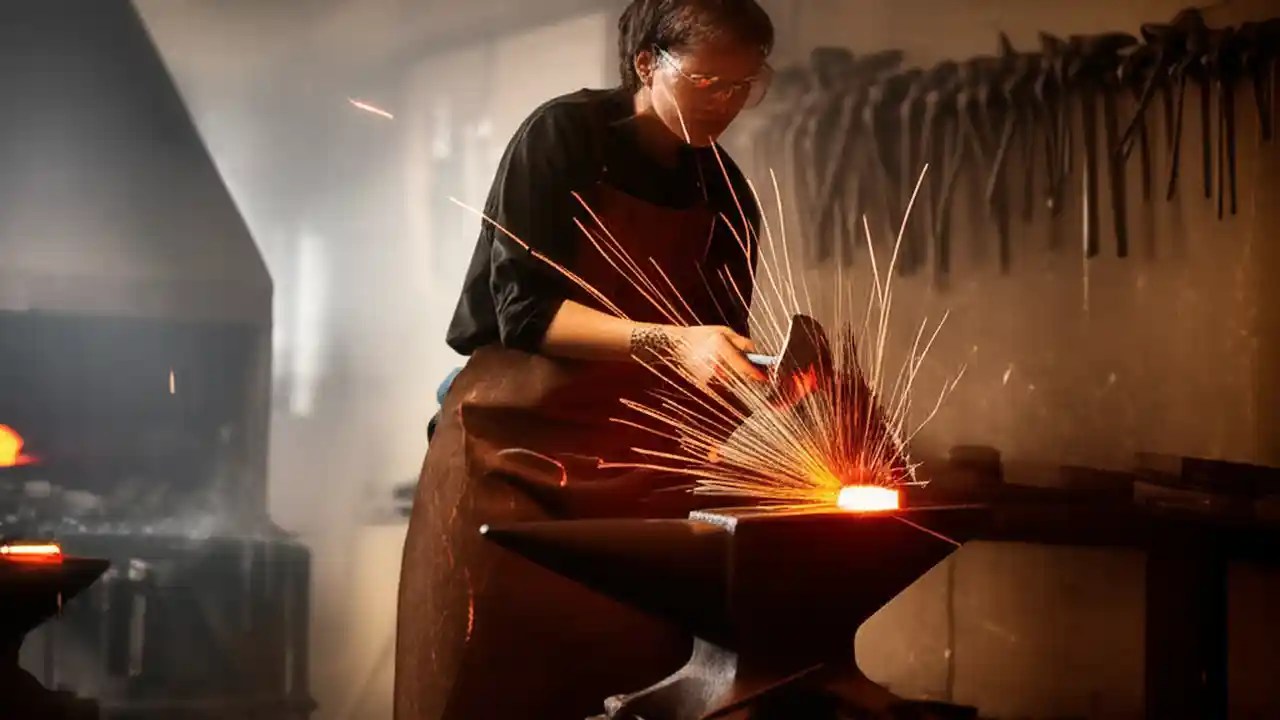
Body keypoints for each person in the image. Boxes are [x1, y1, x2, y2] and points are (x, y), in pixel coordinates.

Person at [395, 1, 775, 718]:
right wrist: (670, 340)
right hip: (510, 460)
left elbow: (719, 343)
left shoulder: (725, 190)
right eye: (706, 82)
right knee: (491, 687)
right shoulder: (562, 136)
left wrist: (775, 384)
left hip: (634, 480)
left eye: (743, 86)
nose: (725, 105)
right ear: (646, 63)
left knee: (632, 693)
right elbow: (526, 312)